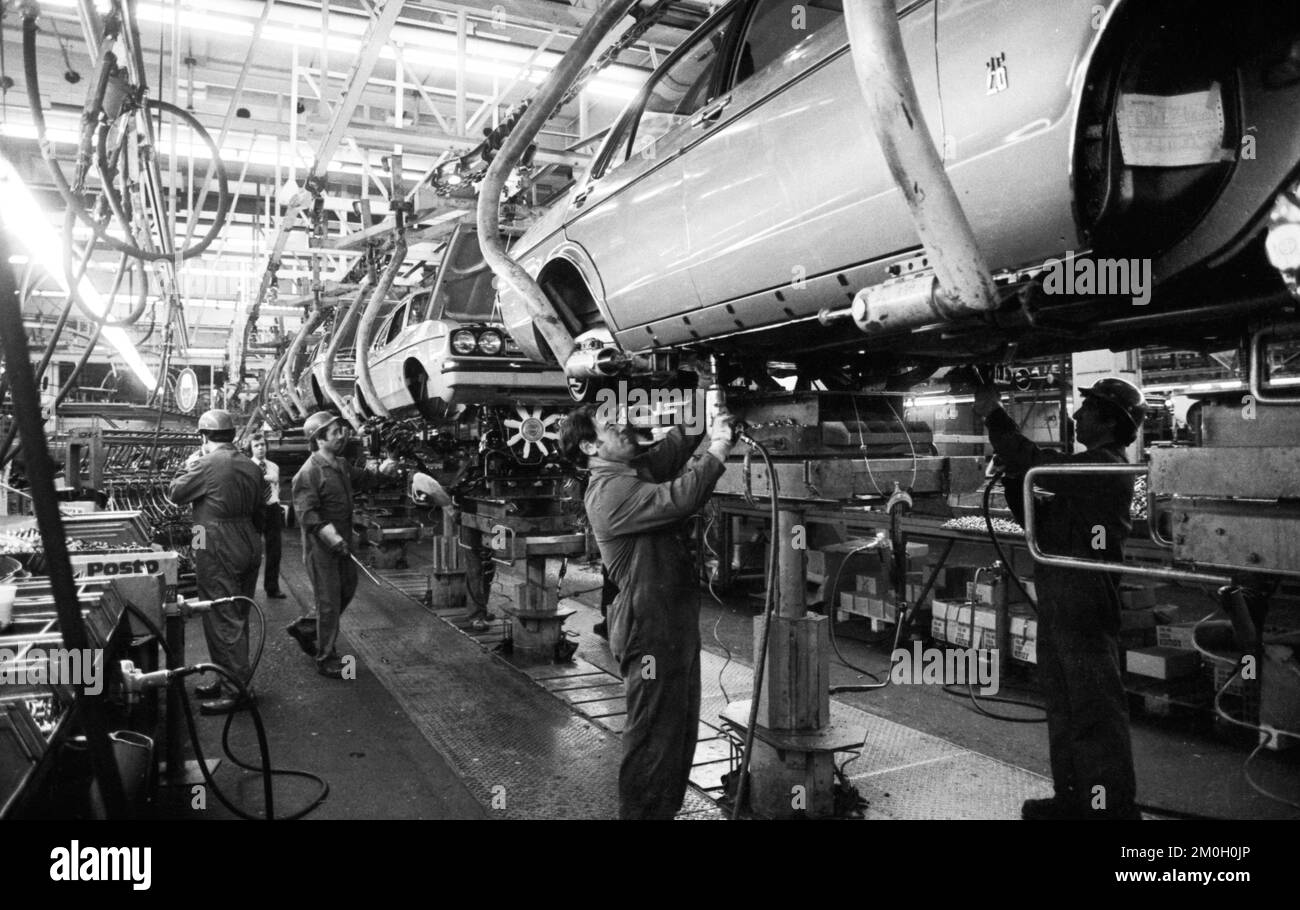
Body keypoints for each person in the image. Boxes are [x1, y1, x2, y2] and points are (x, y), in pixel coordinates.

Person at [973, 376, 1147, 821]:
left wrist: (994, 413)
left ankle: (1110, 811)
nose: (1075, 416)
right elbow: (1041, 517)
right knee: (1065, 705)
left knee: (1093, 708)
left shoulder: (1105, 468)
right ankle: (1074, 798)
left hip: (1084, 599)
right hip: (1061, 597)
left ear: (1109, 423)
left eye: (1086, 410)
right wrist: (1016, 479)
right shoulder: (1085, 471)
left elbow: (1034, 461)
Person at [558, 403, 736, 820]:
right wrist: (720, 445)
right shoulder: (610, 491)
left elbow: (671, 449)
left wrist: (703, 410)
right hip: (648, 628)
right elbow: (683, 496)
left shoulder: (632, 470)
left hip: (667, 623)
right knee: (654, 735)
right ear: (590, 445)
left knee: (676, 732)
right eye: (610, 425)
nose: (622, 425)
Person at [289, 411, 401, 678]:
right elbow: (308, 515)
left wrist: (385, 469)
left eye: (342, 429)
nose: (343, 435)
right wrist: (333, 538)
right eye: (335, 432)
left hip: (343, 544)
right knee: (328, 602)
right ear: (319, 439)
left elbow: (364, 478)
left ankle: (306, 627)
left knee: (346, 590)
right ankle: (326, 657)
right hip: (322, 548)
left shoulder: (340, 464)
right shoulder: (308, 473)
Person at [169, 409, 265, 715]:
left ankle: (236, 691)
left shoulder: (205, 463)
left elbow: (175, 494)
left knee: (221, 615)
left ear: (203, 436)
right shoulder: (250, 464)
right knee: (237, 613)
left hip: (215, 541)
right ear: (233, 435)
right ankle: (229, 677)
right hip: (247, 538)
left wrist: (187, 466)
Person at [247, 433, 286, 599]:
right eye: (256, 445)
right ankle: (248, 590)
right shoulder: (247, 466)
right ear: (251, 448)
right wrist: (266, 478)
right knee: (251, 551)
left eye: (262, 444)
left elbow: (277, 488)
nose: (260, 448)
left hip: (272, 509)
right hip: (255, 510)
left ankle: (272, 587)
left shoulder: (274, 466)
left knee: (274, 550)